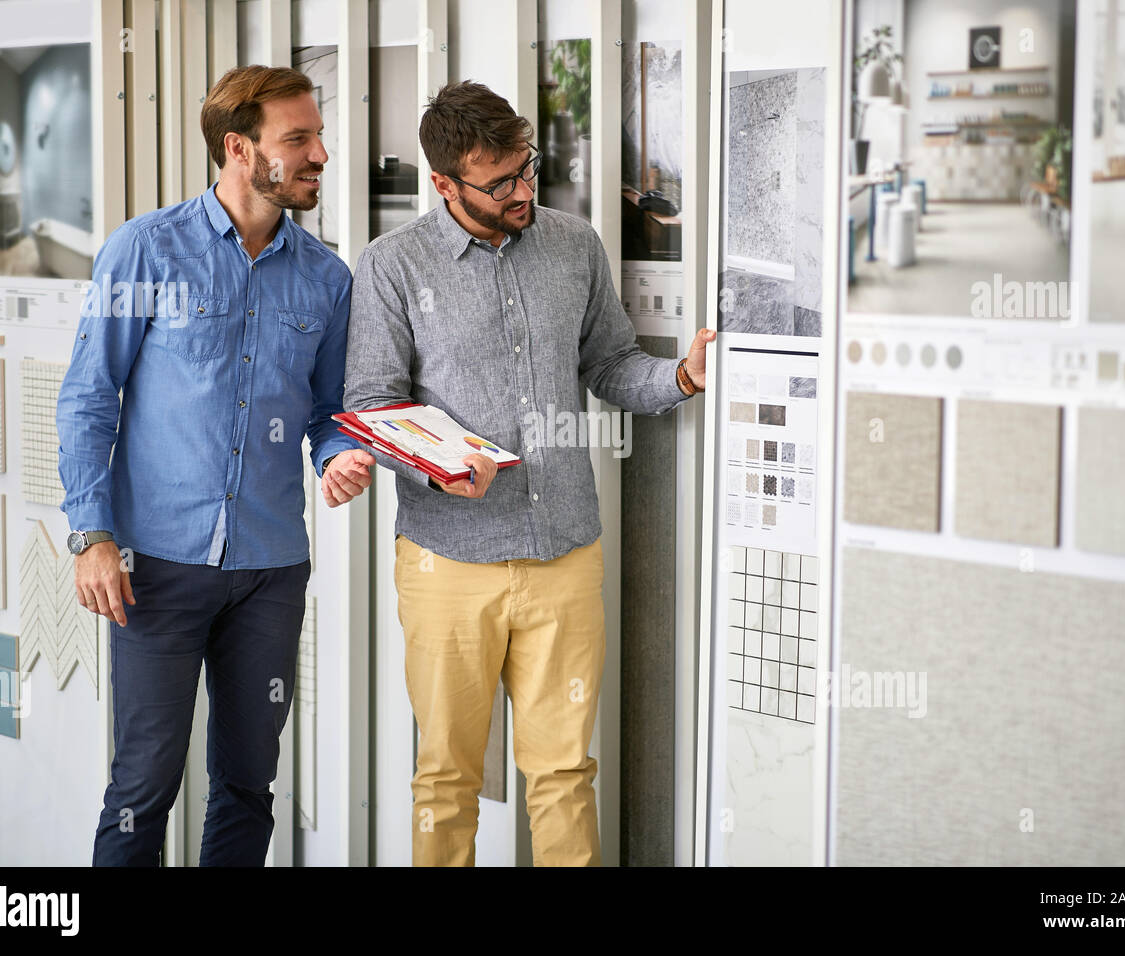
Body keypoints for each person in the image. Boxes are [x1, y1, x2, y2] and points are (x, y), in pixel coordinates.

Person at [344, 80, 714, 866]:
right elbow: (374, 404)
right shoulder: (391, 267)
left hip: (564, 555)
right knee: (446, 780)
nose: (523, 191)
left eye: (528, 169)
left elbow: (611, 364)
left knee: (564, 772)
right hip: (449, 562)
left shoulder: (575, 244)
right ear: (445, 183)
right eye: (500, 180)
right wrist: (443, 468)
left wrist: (680, 378)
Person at [56, 64, 374, 867]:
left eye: (318, 135)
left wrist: (340, 456)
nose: (320, 154)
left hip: (270, 570)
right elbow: (89, 397)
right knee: (142, 786)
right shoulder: (144, 250)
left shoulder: (328, 278)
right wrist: (90, 532)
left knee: (248, 785)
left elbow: (327, 412)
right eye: (297, 139)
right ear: (238, 148)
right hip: (154, 566)